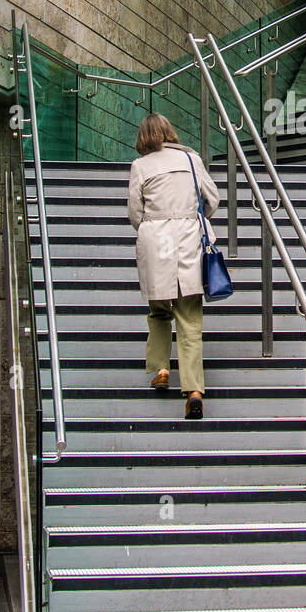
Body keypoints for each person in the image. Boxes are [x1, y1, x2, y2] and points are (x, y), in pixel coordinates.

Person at [127, 112, 220, 420]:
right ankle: (193, 390)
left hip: (155, 242)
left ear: (143, 137)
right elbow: (213, 200)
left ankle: (161, 369)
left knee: (158, 311)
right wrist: (191, 218)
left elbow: (134, 213)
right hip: (188, 239)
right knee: (190, 319)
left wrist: (153, 226)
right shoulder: (192, 161)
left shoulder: (140, 166)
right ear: (169, 131)